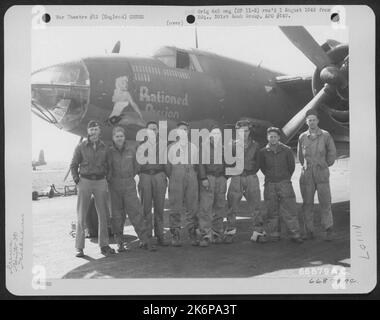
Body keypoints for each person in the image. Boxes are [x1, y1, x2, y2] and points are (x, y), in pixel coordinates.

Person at [106, 126, 156, 252]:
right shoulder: (109, 152)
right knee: (117, 215)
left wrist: (128, 176)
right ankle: (119, 242)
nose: (119, 138)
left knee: (136, 212)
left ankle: (144, 240)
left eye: (121, 136)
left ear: (124, 137)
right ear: (113, 138)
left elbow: (137, 166)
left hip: (129, 183)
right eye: (117, 136)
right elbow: (107, 168)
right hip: (114, 184)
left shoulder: (131, 150)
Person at [70, 120, 115, 257]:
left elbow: (109, 165)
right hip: (85, 181)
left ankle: (104, 245)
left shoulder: (104, 147)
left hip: (100, 181)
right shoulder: (80, 147)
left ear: (99, 131)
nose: (93, 132)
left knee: (103, 215)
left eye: (96, 129)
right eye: (91, 130)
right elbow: (73, 165)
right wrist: (78, 180)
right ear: (88, 132)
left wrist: (107, 178)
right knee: (81, 215)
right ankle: (79, 247)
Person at [258, 127, 303, 243]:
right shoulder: (263, 152)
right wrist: (271, 177)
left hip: (284, 183)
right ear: (267, 138)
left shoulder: (287, 150)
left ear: (279, 137)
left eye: (275, 136)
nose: (273, 138)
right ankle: (274, 234)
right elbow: (263, 168)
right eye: (270, 136)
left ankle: (295, 234)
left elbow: (291, 167)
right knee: (271, 210)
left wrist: (284, 178)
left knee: (290, 209)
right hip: (270, 184)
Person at [298, 109, 337, 241]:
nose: (312, 122)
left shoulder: (326, 135)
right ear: (306, 122)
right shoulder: (302, 137)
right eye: (309, 120)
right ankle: (309, 231)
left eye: (314, 119)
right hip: (307, 174)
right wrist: (306, 166)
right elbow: (299, 156)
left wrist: (325, 164)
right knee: (307, 203)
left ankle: (328, 229)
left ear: (318, 121)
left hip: (321, 173)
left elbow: (332, 153)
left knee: (325, 202)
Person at [226, 120, 264, 243]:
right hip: (236, 178)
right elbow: (228, 162)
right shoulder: (231, 145)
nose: (244, 133)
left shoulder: (255, 145)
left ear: (249, 131)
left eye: (246, 131)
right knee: (232, 206)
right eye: (241, 131)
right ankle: (230, 232)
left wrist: (251, 172)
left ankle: (258, 232)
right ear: (237, 131)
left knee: (256, 206)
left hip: (251, 177)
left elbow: (258, 163)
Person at [167, 121, 199, 246]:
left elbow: (197, 164)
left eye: (185, 129)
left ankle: (192, 233)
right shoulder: (171, 147)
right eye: (180, 130)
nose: (183, 132)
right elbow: (167, 166)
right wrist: (175, 175)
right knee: (175, 206)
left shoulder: (194, 147)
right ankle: (175, 234)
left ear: (188, 132)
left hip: (191, 175)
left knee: (192, 206)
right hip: (176, 176)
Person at [138, 121, 169, 246]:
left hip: (159, 175)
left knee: (159, 208)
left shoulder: (163, 145)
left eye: (154, 129)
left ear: (157, 131)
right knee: (145, 208)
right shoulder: (140, 145)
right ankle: (146, 238)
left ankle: (160, 236)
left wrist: (168, 177)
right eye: (150, 129)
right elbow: (136, 163)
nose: (152, 131)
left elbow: (167, 163)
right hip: (145, 175)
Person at [198, 125, 227, 247]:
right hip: (208, 178)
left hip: (221, 178)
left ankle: (217, 233)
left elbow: (228, 164)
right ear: (210, 136)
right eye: (214, 134)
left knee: (220, 206)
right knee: (206, 207)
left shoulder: (224, 148)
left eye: (218, 135)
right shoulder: (204, 148)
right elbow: (200, 164)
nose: (216, 137)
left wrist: (225, 177)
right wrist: (203, 178)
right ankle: (205, 234)